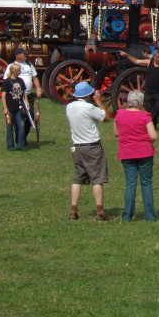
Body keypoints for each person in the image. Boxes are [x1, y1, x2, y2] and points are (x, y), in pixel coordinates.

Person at [67, 80, 111, 221]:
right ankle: (99, 211)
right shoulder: (89, 108)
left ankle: (73, 210)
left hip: (77, 146)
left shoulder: (69, 107)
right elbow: (106, 118)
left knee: (77, 179)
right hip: (91, 146)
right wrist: (98, 102)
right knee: (97, 179)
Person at [115, 89, 157, 222]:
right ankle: (150, 216)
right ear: (141, 103)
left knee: (130, 184)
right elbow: (153, 136)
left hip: (127, 152)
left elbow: (116, 133)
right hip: (144, 152)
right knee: (146, 184)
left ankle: (127, 215)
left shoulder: (120, 114)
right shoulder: (145, 116)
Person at [124, 48, 159, 128]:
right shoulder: (149, 62)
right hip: (148, 92)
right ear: (154, 57)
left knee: (158, 107)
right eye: (157, 57)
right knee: (149, 109)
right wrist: (127, 55)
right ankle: (152, 125)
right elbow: (136, 61)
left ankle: (145, 123)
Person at [2, 75, 32, 151]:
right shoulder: (7, 82)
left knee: (21, 125)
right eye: (18, 70)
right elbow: (3, 95)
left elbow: (24, 94)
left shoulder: (21, 81)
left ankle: (20, 145)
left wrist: (27, 103)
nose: (19, 72)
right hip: (9, 108)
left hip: (19, 108)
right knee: (10, 127)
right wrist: (5, 108)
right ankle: (10, 146)